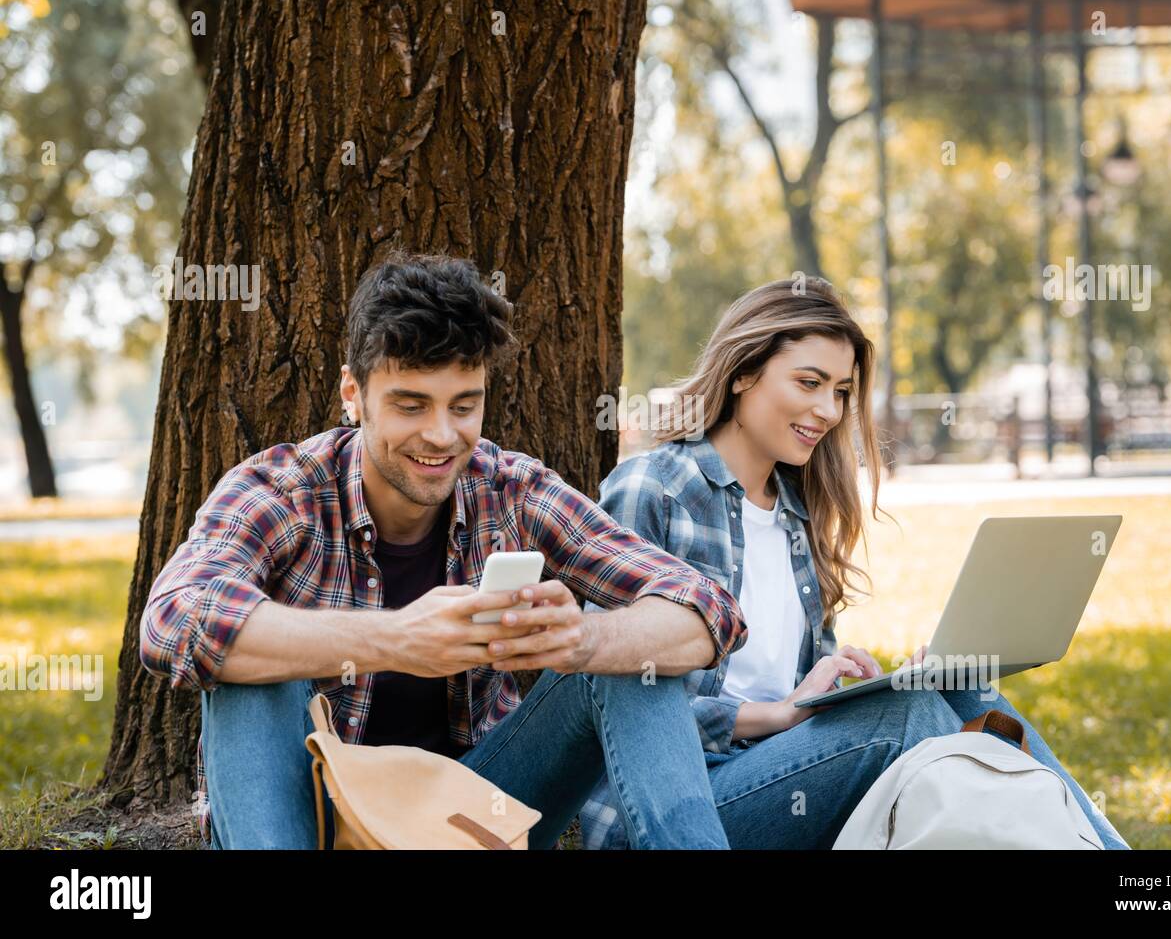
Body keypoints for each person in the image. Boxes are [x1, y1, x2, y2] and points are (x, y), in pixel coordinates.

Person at [139, 252, 748, 849]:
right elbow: (173, 621)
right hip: (314, 818)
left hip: (465, 820)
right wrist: (398, 638)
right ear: (352, 392)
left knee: (631, 661)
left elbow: (707, 609)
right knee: (246, 658)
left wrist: (580, 643)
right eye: (410, 405)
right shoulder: (284, 489)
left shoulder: (512, 490)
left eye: (464, 406)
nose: (440, 435)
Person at [578, 277, 1130, 849]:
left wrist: (852, 687)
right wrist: (774, 715)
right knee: (904, 716)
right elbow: (616, 699)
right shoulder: (655, 489)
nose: (828, 410)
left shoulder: (797, 511)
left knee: (966, 687)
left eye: (841, 391)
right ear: (743, 373)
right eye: (809, 382)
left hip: (779, 775)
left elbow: (801, 703)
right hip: (684, 804)